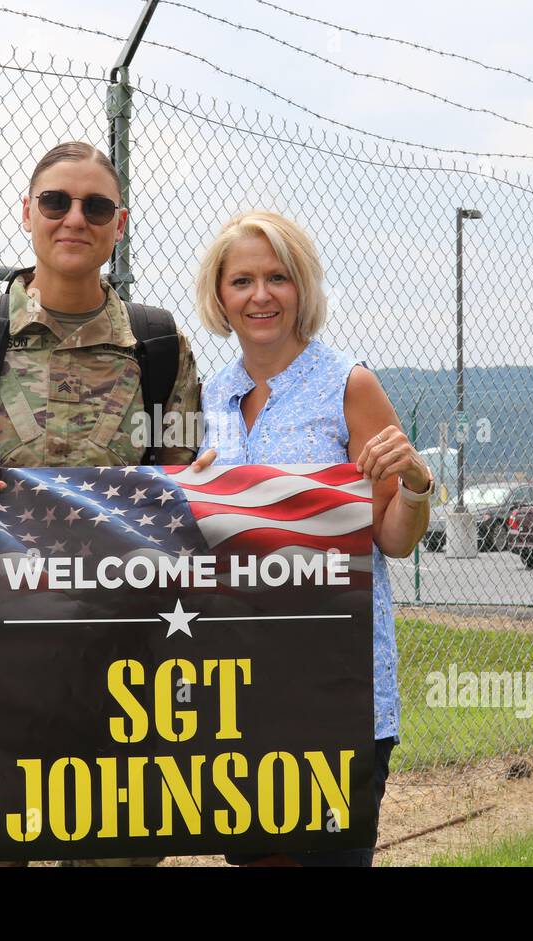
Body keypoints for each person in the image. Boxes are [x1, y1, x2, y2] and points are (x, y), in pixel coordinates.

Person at [0, 142, 202, 867]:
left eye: (95, 206)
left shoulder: (159, 348)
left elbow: (183, 496)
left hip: (120, 661)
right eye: (56, 202)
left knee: (116, 848)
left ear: (119, 223)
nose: (75, 218)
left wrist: (201, 491)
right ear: (28, 213)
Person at [192, 209, 432, 866]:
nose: (260, 295)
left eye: (278, 277)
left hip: (335, 687)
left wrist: (415, 486)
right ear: (220, 295)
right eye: (241, 280)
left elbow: (394, 539)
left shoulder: (348, 384)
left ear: (303, 288)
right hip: (239, 688)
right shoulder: (212, 396)